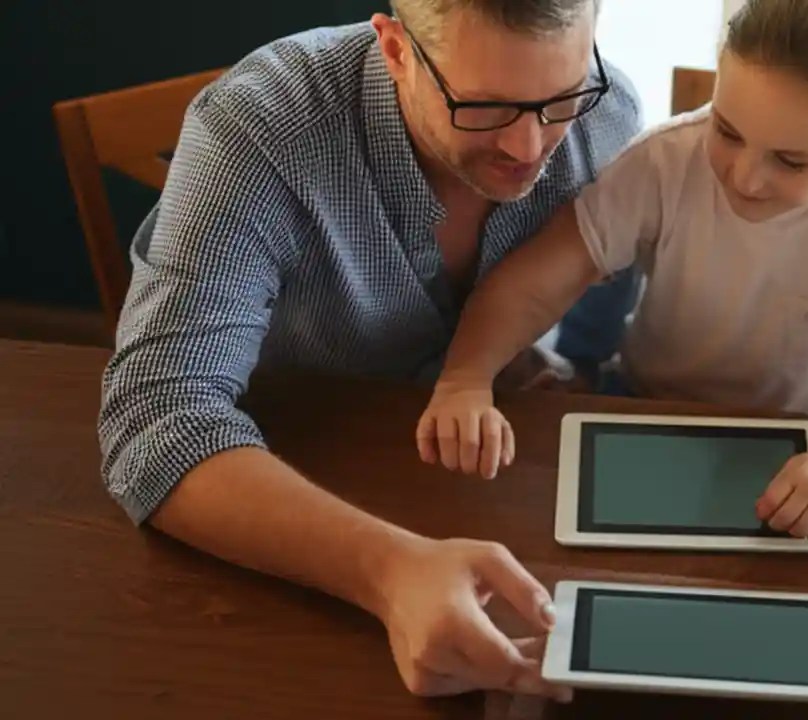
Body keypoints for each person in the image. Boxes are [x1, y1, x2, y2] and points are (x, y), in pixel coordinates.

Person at [97, 0, 643, 701]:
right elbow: (157, 419)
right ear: (395, 50)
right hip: (280, 503)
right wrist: (391, 571)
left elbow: (602, 293)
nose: (531, 148)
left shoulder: (610, 114)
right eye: (485, 108)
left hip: (497, 483)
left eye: (559, 98)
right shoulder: (260, 126)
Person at [418, 0, 808, 540]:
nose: (744, 178)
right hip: (647, 414)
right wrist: (466, 378)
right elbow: (536, 282)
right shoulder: (666, 159)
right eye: (728, 130)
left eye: (792, 160)